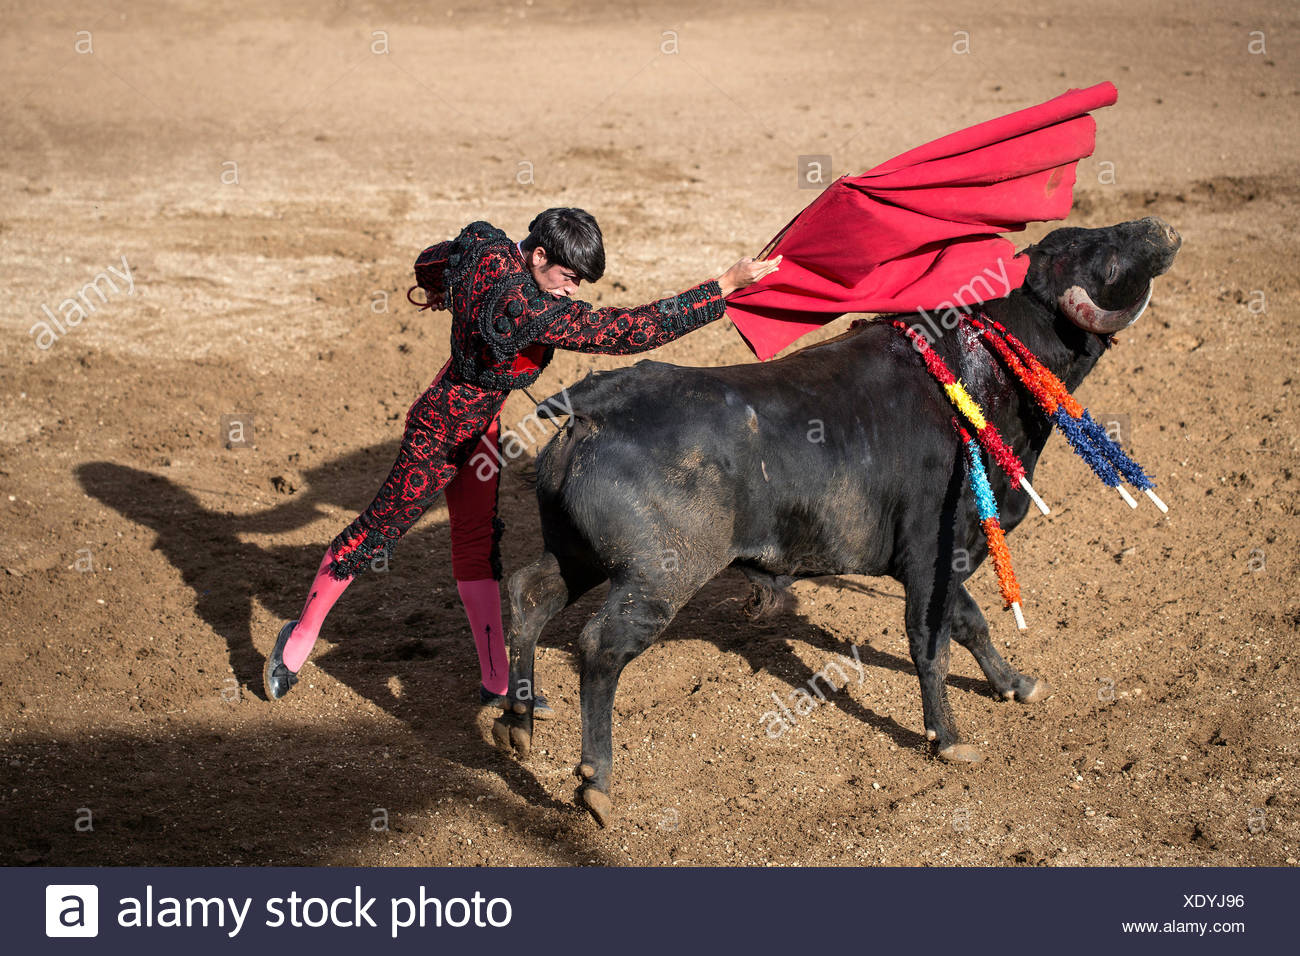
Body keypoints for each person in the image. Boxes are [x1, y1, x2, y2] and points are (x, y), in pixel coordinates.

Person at [264, 208, 780, 712]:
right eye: (568, 276)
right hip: (437, 434)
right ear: (537, 255)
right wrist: (721, 286)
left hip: (481, 433)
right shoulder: (527, 309)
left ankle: (495, 680)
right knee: (379, 530)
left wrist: (443, 292)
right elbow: (626, 330)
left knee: (477, 544)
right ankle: (299, 637)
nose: (573, 290)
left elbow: (430, 261)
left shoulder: (485, 249)